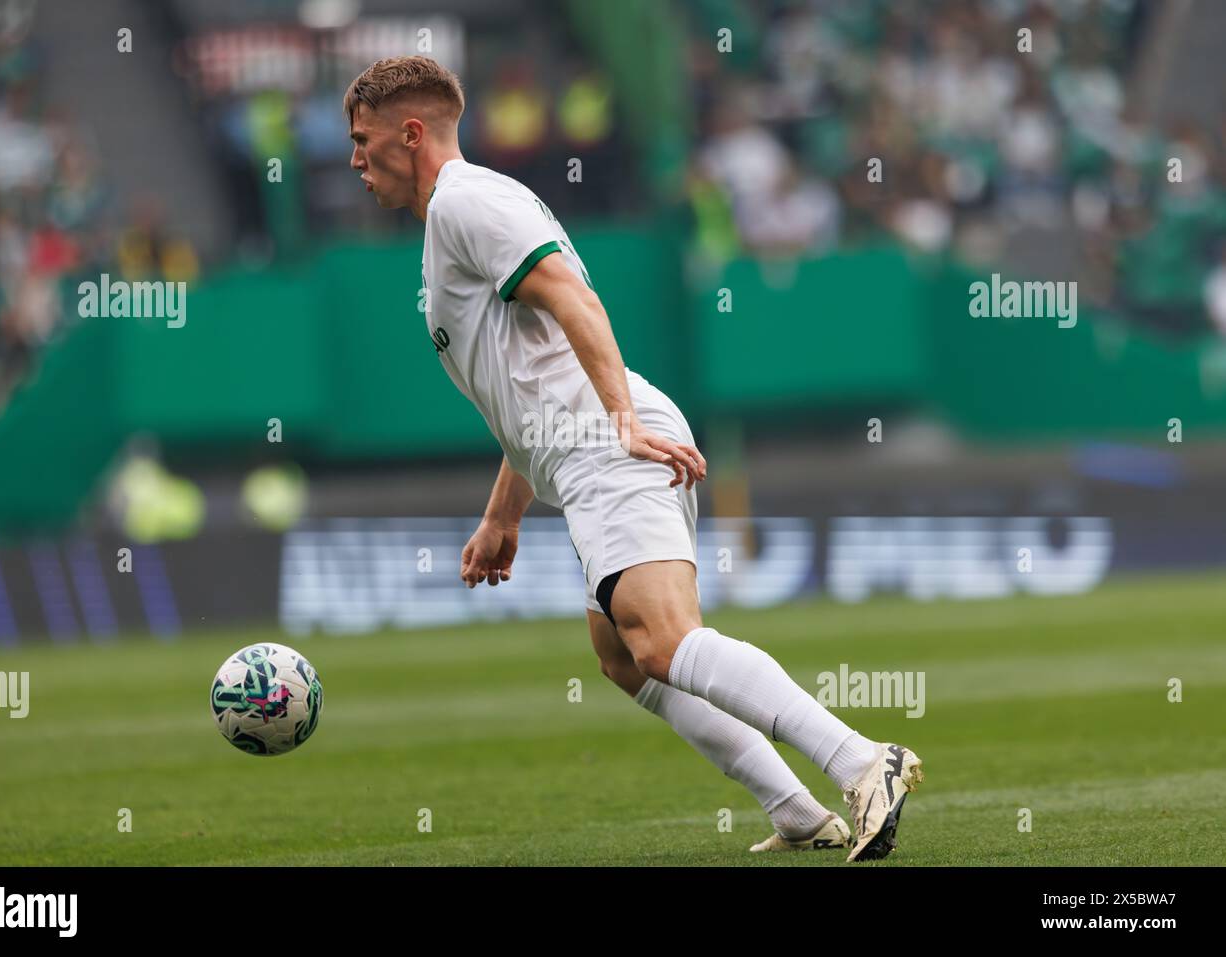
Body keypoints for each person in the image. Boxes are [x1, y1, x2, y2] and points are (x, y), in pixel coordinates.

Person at [342, 55, 922, 860]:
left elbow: (574, 299)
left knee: (662, 637)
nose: (354, 159)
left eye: (363, 140)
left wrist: (619, 421)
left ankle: (862, 761)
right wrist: (502, 513)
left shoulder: (465, 202)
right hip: (583, 448)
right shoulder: (458, 215)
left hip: (608, 443)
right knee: (623, 657)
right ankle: (795, 809)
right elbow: (528, 376)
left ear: (410, 134)